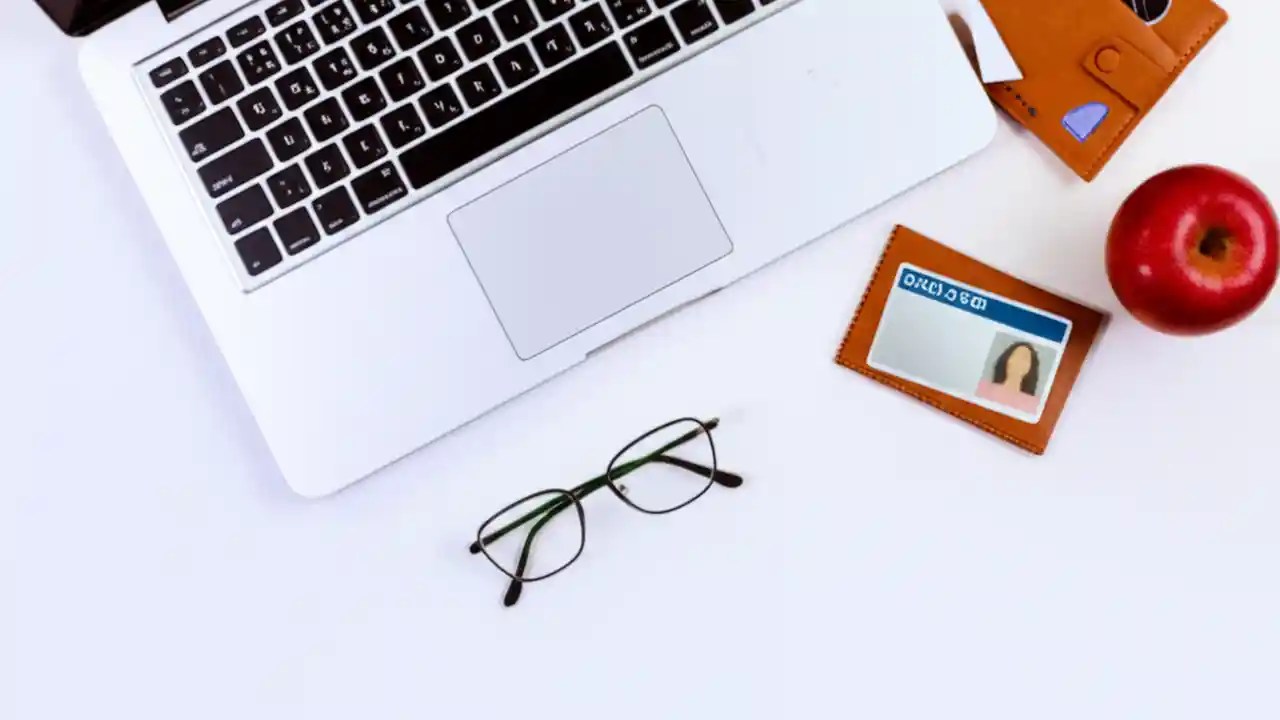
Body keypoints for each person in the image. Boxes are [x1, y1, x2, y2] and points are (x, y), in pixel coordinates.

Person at [975, 342, 1041, 414]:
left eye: (1024, 358)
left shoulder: (1034, 405)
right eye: (1015, 356)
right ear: (1007, 360)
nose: (1018, 362)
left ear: (1030, 368)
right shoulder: (983, 388)